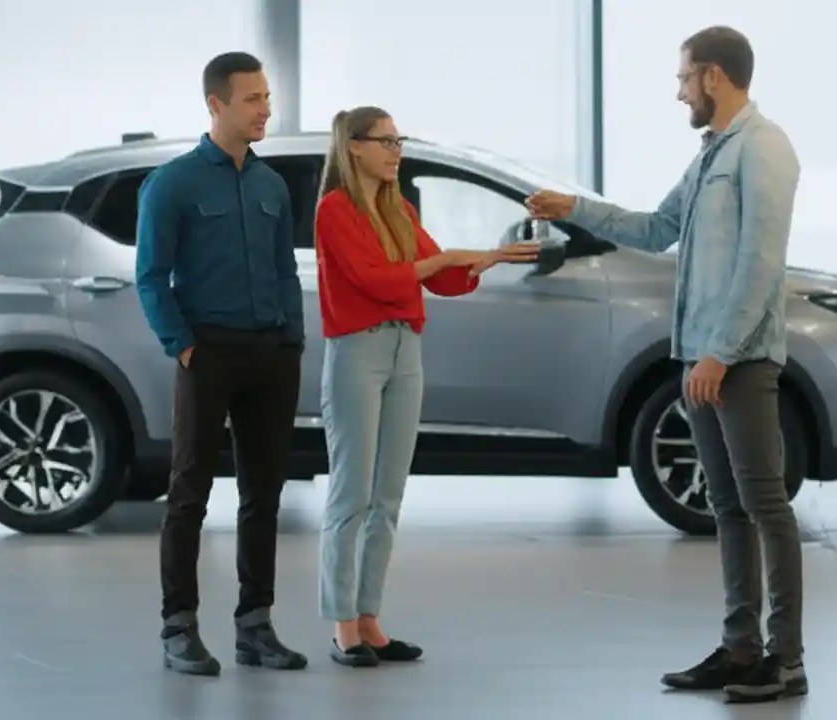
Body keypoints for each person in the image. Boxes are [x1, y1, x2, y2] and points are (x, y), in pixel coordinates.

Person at [526, 26, 806, 703]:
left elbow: (759, 264)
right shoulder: (713, 154)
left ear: (713, 76)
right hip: (701, 358)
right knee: (729, 508)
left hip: (735, 359)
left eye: (684, 78)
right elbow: (656, 228)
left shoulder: (763, 150)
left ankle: (786, 661)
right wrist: (576, 210)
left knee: (765, 504)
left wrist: (719, 352)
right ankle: (741, 650)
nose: (679, 91)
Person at [314, 106, 538, 668]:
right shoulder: (334, 210)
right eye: (385, 140)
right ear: (354, 147)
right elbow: (375, 280)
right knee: (351, 493)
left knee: (387, 495)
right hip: (357, 350)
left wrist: (480, 261)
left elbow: (439, 278)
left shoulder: (399, 208)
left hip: (403, 348)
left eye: (399, 139)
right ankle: (343, 624)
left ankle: (370, 619)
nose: (396, 150)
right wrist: (441, 259)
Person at [136, 51, 307, 676]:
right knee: (189, 493)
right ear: (216, 104)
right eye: (253, 99)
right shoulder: (174, 183)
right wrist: (181, 346)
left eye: (267, 97)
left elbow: (286, 269)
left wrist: (293, 337)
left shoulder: (270, 185)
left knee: (264, 495)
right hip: (206, 352)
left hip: (271, 353)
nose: (266, 109)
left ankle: (254, 626)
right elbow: (150, 276)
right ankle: (178, 626)